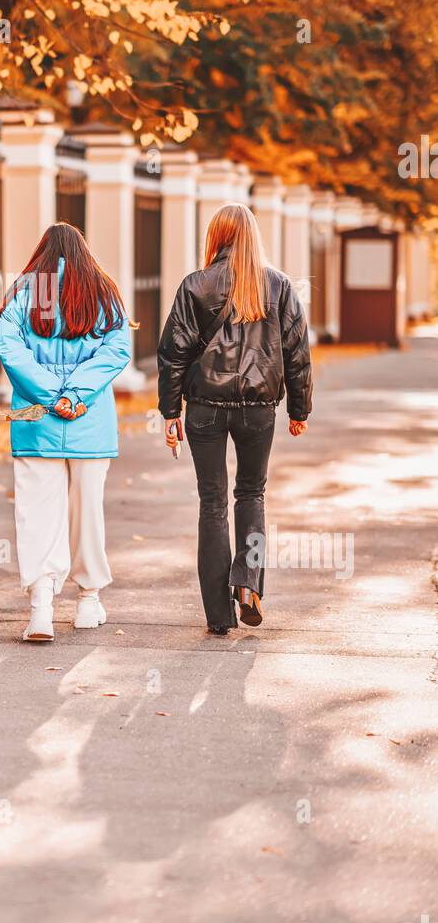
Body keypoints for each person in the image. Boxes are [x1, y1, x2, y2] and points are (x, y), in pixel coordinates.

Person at [157, 202, 312, 635]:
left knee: (212, 504)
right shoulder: (279, 287)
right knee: (252, 495)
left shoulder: (195, 286)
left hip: (205, 409)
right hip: (258, 411)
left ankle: (217, 616)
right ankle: (248, 582)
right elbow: (298, 353)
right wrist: (299, 409)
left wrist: (170, 411)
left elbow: (173, 354)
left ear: (216, 237)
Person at [0, 221, 133, 642]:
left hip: (36, 419)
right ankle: (88, 600)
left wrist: (51, 394)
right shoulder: (103, 292)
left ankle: (41, 606)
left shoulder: (24, 292)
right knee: (87, 512)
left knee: (36, 513)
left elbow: (9, 348)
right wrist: (74, 395)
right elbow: (118, 349)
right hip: (88, 422)